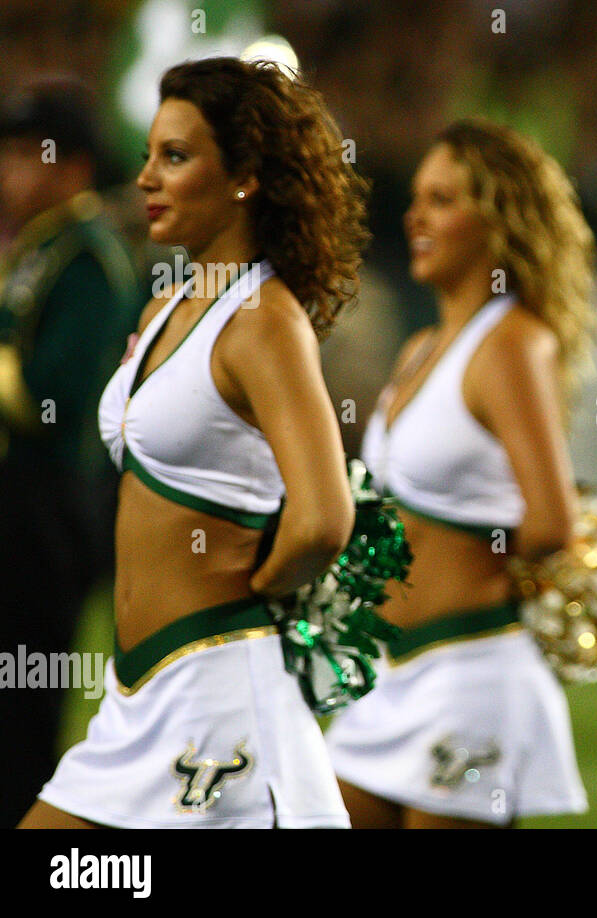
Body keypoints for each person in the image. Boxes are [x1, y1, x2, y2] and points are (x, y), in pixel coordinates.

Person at [18, 56, 370, 828]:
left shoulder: (266, 323)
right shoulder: (169, 304)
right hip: (137, 696)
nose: (146, 177)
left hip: (218, 700)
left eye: (175, 157)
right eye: (148, 154)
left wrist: (248, 603)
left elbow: (322, 519)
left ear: (244, 175)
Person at [325, 119, 595, 829]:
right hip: (385, 672)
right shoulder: (419, 347)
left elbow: (553, 521)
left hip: (471, 673)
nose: (415, 216)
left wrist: (475, 559)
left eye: (442, 199)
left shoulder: (513, 345)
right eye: (416, 198)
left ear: (497, 219)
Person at [0, 78, 141, 828]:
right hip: (19, 501)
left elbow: (51, 399)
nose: (12, 172)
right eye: (8, 153)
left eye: (30, 154)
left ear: (76, 166)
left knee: (24, 705)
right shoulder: (38, 248)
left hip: (49, 510)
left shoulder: (88, 258)